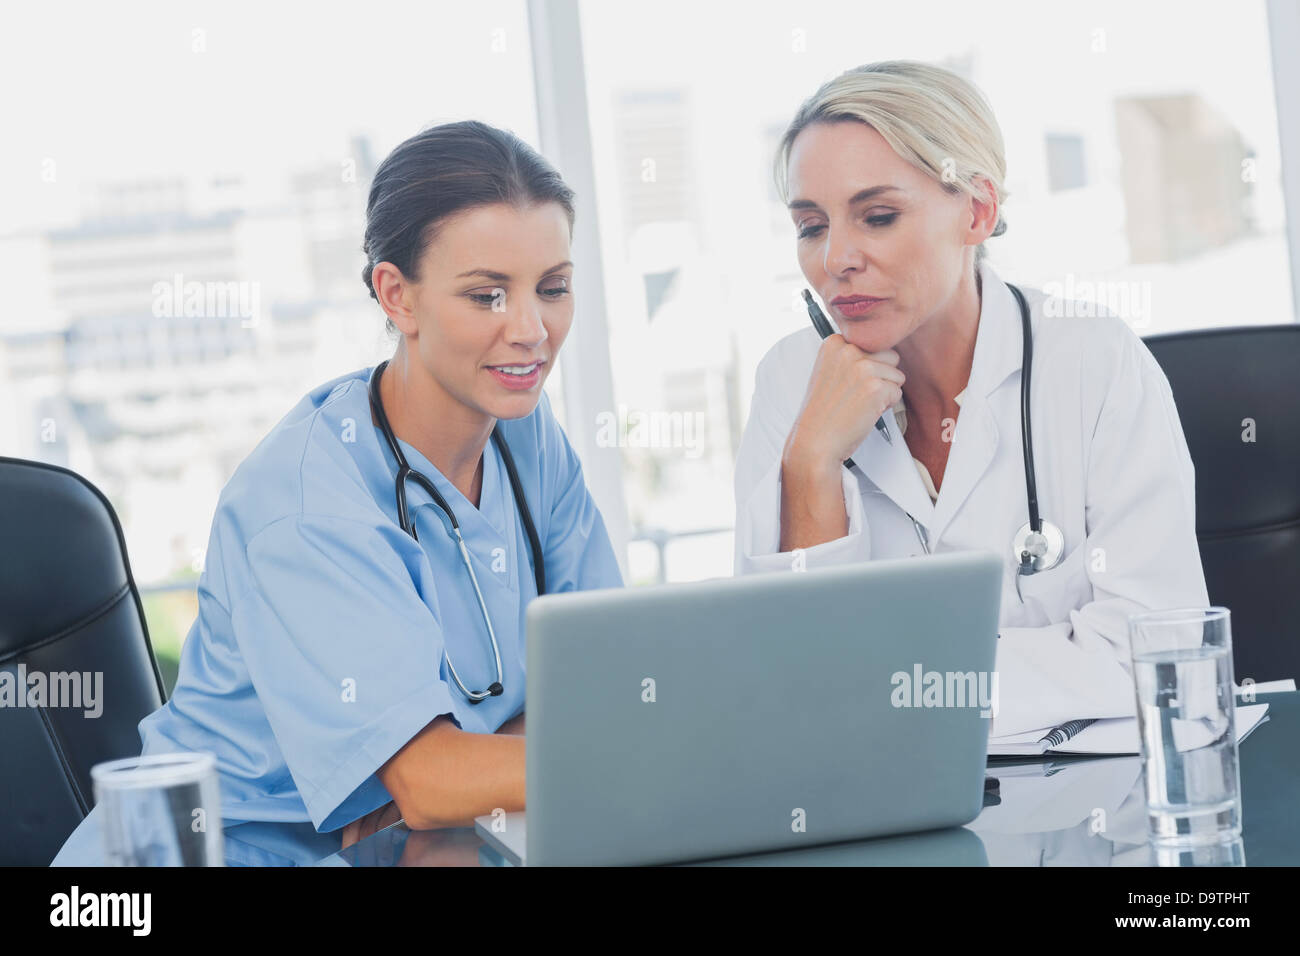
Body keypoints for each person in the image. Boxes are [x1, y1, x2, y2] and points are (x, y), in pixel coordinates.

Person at [53, 120, 623, 865]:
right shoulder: (305, 501)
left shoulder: (525, 433)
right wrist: (443, 773)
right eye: (486, 295)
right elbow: (430, 781)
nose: (531, 329)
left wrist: (462, 765)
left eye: (553, 288)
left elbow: (605, 683)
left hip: (413, 846)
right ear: (398, 296)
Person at [733, 61, 1209, 737]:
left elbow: (1157, 654)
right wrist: (810, 461)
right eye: (811, 226)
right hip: (874, 814)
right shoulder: (789, 383)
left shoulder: (1092, 361)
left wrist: (890, 685)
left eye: (877, 216)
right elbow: (790, 689)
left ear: (978, 211)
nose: (836, 258)